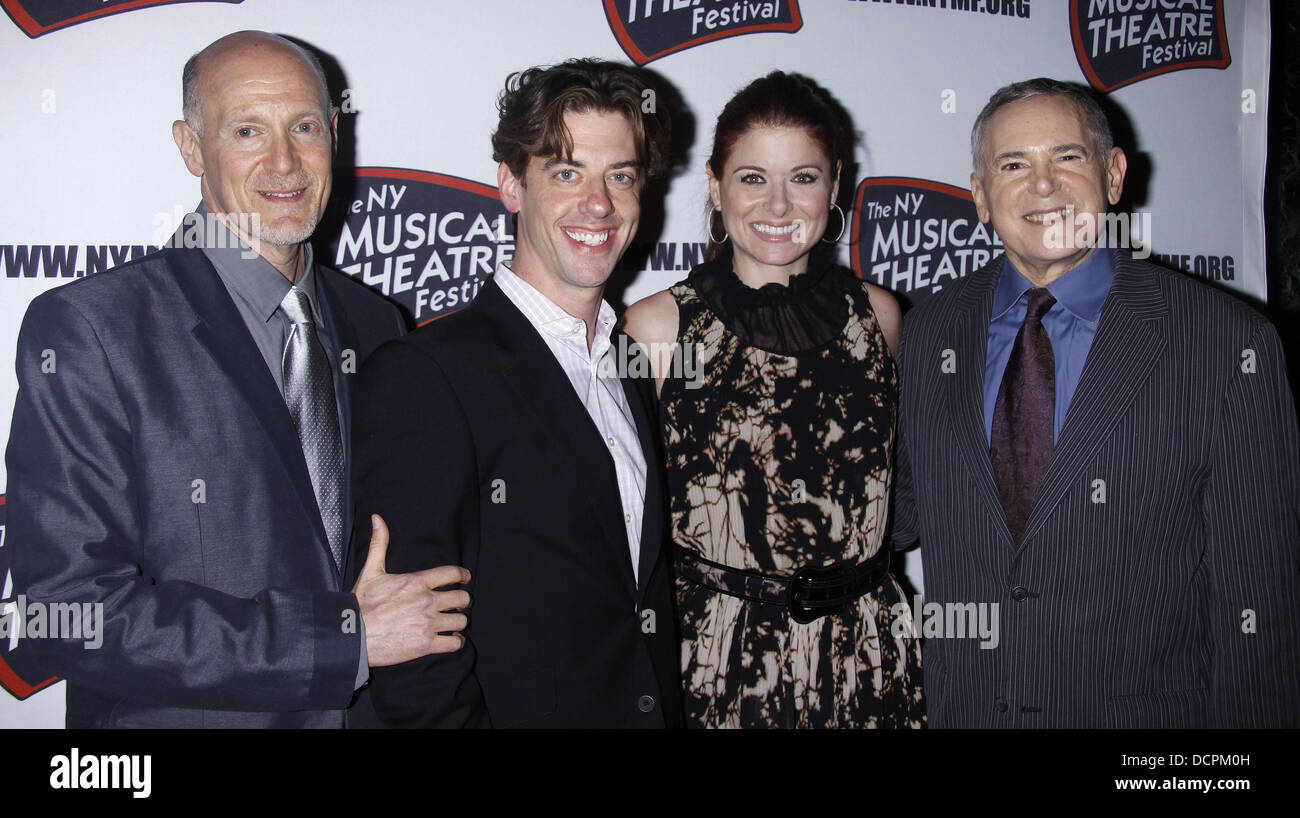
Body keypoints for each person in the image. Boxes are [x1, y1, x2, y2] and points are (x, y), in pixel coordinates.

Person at [5, 31, 470, 728]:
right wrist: (338, 641)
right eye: (247, 129)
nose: (283, 161)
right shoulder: (93, 328)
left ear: (334, 136)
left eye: (305, 127)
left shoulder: (375, 325)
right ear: (192, 148)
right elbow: (67, 612)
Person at [891, 77, 1300, 727]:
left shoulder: (1227, 344)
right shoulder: (928, 332)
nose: (1043, 185)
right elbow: (892, 511)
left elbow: (1260, 606)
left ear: (1113, 175)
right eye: (1014, 164)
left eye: (1067, 157)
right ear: (980, 197)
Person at [350, 59, 681, 728]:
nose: (599, 204)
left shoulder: (630, 364)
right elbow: (414, 655)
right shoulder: (427, 375)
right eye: (567, 173)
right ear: (511, 183)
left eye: (620, 175)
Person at [624, 71, 924, 728]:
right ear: (714, 183)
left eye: (804, 178)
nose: (779, 205)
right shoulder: (655, 329)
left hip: (866, 657)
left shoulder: (880, 318)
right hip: (717, 660)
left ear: (836, 184)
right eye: (753, 177)